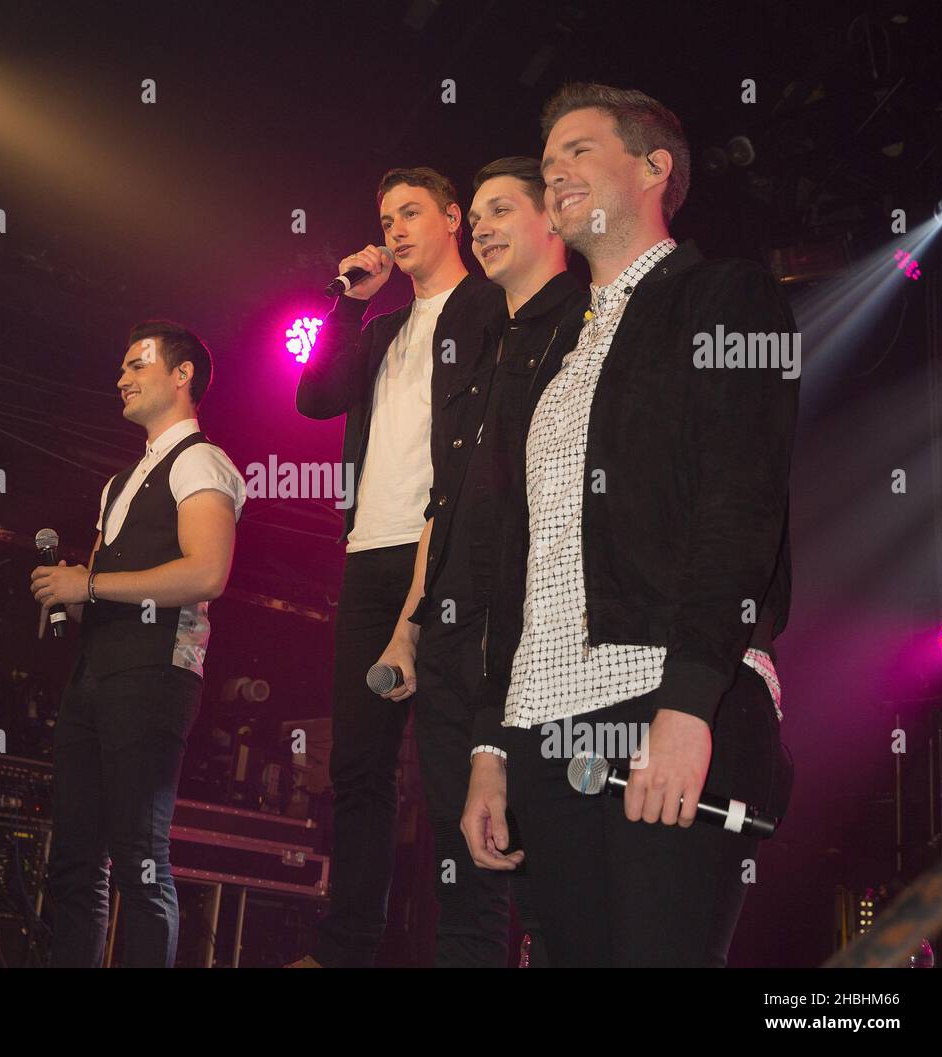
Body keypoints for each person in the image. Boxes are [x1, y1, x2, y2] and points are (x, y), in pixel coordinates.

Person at [461, 83, 797, 967]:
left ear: (654, 169)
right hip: (545, 722)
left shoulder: (726, 297)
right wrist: (494, 745)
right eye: (549, 162)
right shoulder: (554, 352)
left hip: (667, 693)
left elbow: (740, 505)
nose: (555, 171)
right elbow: (520, 563)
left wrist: (690, 705)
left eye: (578, 151)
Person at [370, 156, 585, 966]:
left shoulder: (584, 334)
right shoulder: (484, 349)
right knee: (460, 885)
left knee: (543, 882)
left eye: (502, 209)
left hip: (533, 648)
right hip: (453, 645)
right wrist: (408, 629)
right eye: (482, 211)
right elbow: (444, 506)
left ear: (554, 221)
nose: (487, 226)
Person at [292, 168, 506, 966]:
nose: (396, 229)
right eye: (386, 218)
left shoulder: (490, 306)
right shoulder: (379, 330)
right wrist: (348, 301)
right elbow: (314, 397)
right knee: (358, 766)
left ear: (454, 217)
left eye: (411, 212)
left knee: (452, 765)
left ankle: (470, 948)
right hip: (368, 553)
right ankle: (347, 947)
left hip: (447, 552)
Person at [33, 320, 245, 968]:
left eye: (136, 365)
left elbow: (207, 571)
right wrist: (69, 592)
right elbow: (98, 585)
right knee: (74, 858)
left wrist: (90, 581)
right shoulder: (119, 481)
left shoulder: (202, 461)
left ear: (181, 375)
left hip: (155, 671)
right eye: (121, 367)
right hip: (97, 671)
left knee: (138, 854)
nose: (121, 378)